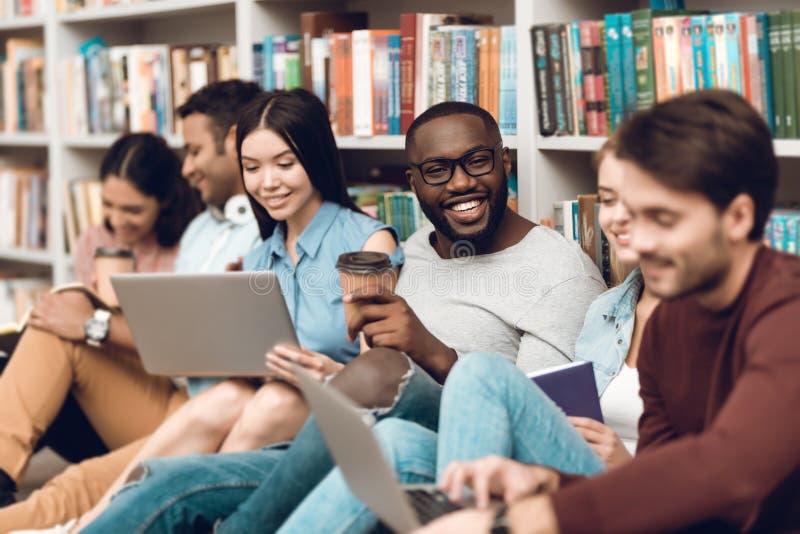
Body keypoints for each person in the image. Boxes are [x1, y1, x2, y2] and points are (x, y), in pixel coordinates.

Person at [82, 101, 606, 533]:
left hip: (456, 452)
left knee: (380, 379)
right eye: (437, 171)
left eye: (478, 162)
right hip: (357, 428)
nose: (460, 185)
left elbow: (542, 421)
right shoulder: (415, 251)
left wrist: (434, 352)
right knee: (169, 481)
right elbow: (368, 375)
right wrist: (331, 375)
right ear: (413, 183)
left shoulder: (557, 271)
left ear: (506, 163)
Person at [419, 90, 800, 533]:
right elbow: (655, 486)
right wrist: (549, 481)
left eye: (663, 219)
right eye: (629, 213)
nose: (637, 241)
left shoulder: (787, 313)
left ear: (736, 218)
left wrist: (533, 516)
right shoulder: (668, 321)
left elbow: (735, 470)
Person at [275, 137, 662, 533]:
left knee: (472, 372)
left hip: (634, 496)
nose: (616, 219)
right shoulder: (611, 310)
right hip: (572, 473)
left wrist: (629, 469)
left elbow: (707, 476)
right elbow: (561, 411)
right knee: (393, 440)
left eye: (642, 204)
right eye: (609, 201)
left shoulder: (695, 324)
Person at [73, 87, 403, 531]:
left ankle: (194, 515)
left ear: (317, 159)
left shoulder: (366, 243)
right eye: (252, 168)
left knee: (272, 400)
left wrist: (324, 372)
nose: (268, 182)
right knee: (227, 396)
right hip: (263, 403)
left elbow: (382, 375)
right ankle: (98, 519)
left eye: (285, 164)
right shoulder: (259, 256)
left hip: (340, 412)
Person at [0, 80, 263, 532]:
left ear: (235, 142)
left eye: (195, 151)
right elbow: (174, 336)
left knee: (78, 484)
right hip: (170, 391)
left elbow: (219, 347)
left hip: (216, 410)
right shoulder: (202, 228)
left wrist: (97, 326)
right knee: (58, 315)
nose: (187, 168)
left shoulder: (265, 232)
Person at [0, 133, 201, 518]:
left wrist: (99, 322)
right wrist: (83, 307)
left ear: (164, 200)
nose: (116, 219)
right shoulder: (94, 239)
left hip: (170, 389)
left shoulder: (188, 247)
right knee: (44, 331)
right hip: (108, 387)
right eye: (108, 204)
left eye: (133, 210)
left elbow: (185, 352)